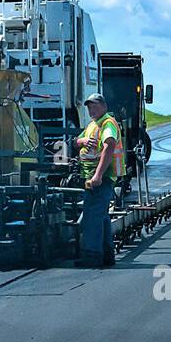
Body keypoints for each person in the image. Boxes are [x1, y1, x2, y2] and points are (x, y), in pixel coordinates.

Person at [74, 92, 125, 267]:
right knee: (101, 216)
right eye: (89, 107)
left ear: (104, 107)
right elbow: (76, 141)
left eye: (95, 106)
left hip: (101, 179)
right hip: (93, 177)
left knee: (92, 217)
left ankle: (93, 256)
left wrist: (98, 175)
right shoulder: (92, 125)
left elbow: (109, 145)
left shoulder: (108, 124)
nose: (91, 110)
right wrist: (83, 140)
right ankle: (106, 255)